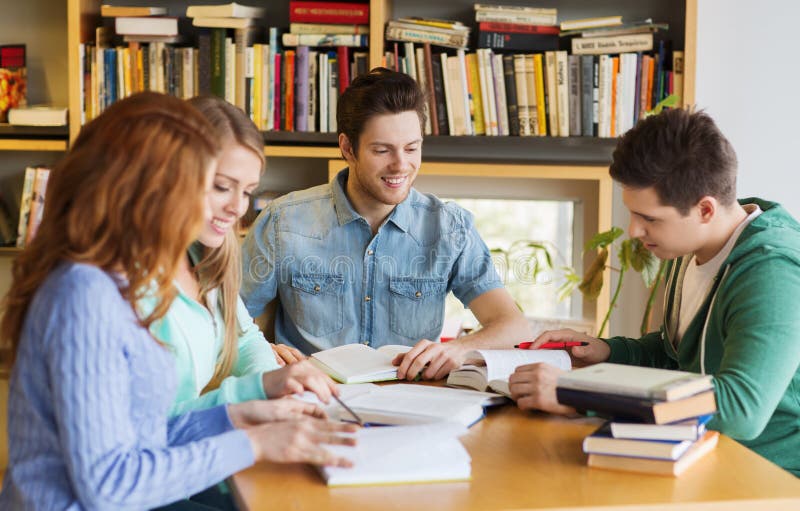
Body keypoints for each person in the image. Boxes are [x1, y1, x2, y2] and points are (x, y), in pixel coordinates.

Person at [0, 92, 356, 510]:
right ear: (143, 187)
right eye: (209, 185)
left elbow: (142, 437)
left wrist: (241, 414)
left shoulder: (119, 279)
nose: (229, 208)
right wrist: (253, 442)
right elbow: (109, 485)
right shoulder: (87, 293)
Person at [507, 108, 800, 476]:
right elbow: (673, 356)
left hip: (769, 479)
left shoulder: (773, 270)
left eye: (649, 219)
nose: (633, 231)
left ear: (705, 209)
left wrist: (580, 396)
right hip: (701, 458)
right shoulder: (690, 246)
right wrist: (607, 352)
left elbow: (742, 410)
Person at [240, 68, 531, 381]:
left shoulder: (448, 227)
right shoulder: (283, 222)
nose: (401, 165)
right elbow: (220, 321)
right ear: (348, 149)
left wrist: (461, 349)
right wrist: (261, 349)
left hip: (411, 402)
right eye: (382, 150)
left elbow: (513, 325)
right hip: (311, 399)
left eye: (411, 148)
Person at [143, 95, 323, 417]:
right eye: (222, 187)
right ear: (172, 172)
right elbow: (155, 423)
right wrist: (259, 390)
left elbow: (245, 340)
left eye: (247, 191)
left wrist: (278, 385)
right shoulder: (130, 283)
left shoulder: (206, 256)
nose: (238, 208)